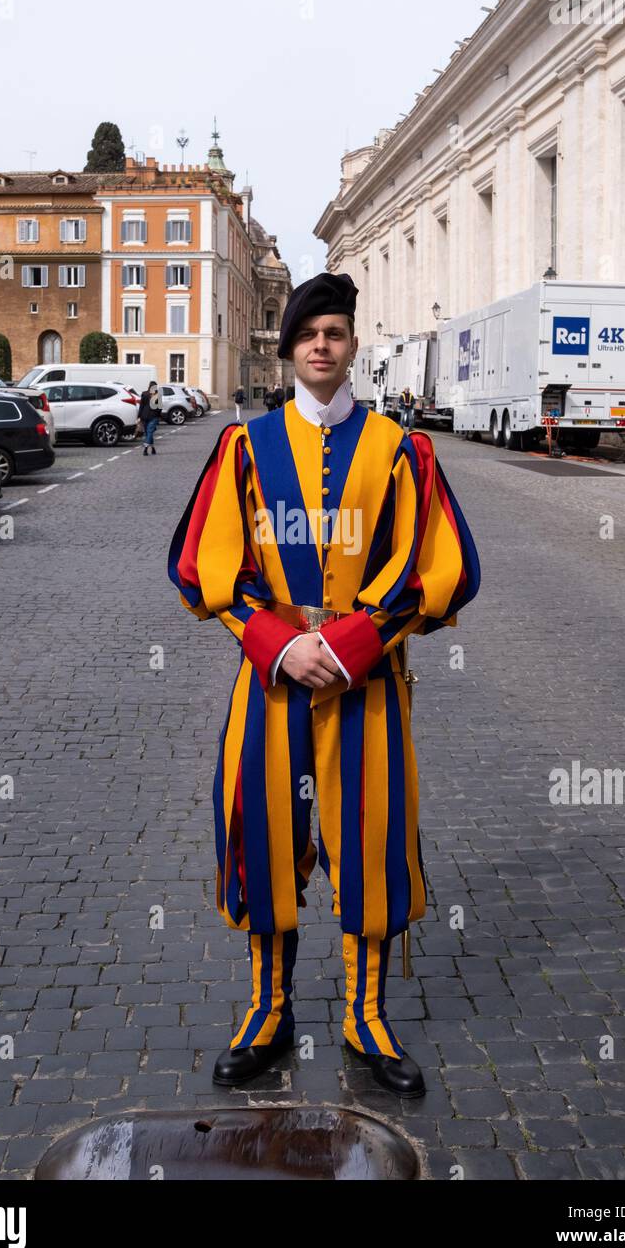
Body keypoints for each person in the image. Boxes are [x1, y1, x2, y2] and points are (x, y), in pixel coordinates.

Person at [168, 270, 480, 1097]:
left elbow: (437, 567)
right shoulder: (244, 449)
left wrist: (350, 643)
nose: (320, 346)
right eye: (308, 335)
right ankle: (269, 1012)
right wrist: (277, 642)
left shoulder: (402, 450)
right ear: (289, 348)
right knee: (268, 843)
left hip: (367, 685)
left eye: (335, 334)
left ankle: (365, 1016)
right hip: (270, 689)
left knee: (369, 842)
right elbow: (206, 567)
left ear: (349, 348)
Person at [139, 382, 161, 455]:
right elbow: (160, 408)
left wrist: (139, 416)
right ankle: (153, 448)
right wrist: (158, 415)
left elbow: (141, 406)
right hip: (153, 416)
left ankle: (145, 449)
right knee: (149, 433)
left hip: (145, 416)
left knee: (149, 432)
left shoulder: (144, 394)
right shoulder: (157, 395)